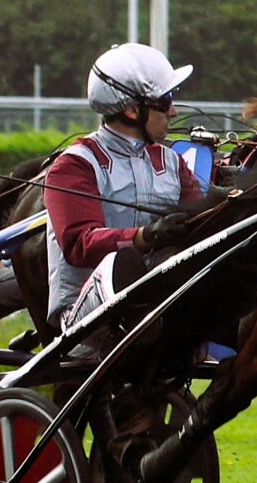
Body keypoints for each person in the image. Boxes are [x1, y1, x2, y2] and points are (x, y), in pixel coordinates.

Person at [43, 43, 211, 331]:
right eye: (165, 99)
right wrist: (146, 236)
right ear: (133, 110)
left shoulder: (171, 161)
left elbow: (200, 221)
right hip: (87, 315)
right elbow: (80, 245)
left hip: (153, 299)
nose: (173, 110)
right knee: (125, 272)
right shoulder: (73, 166)